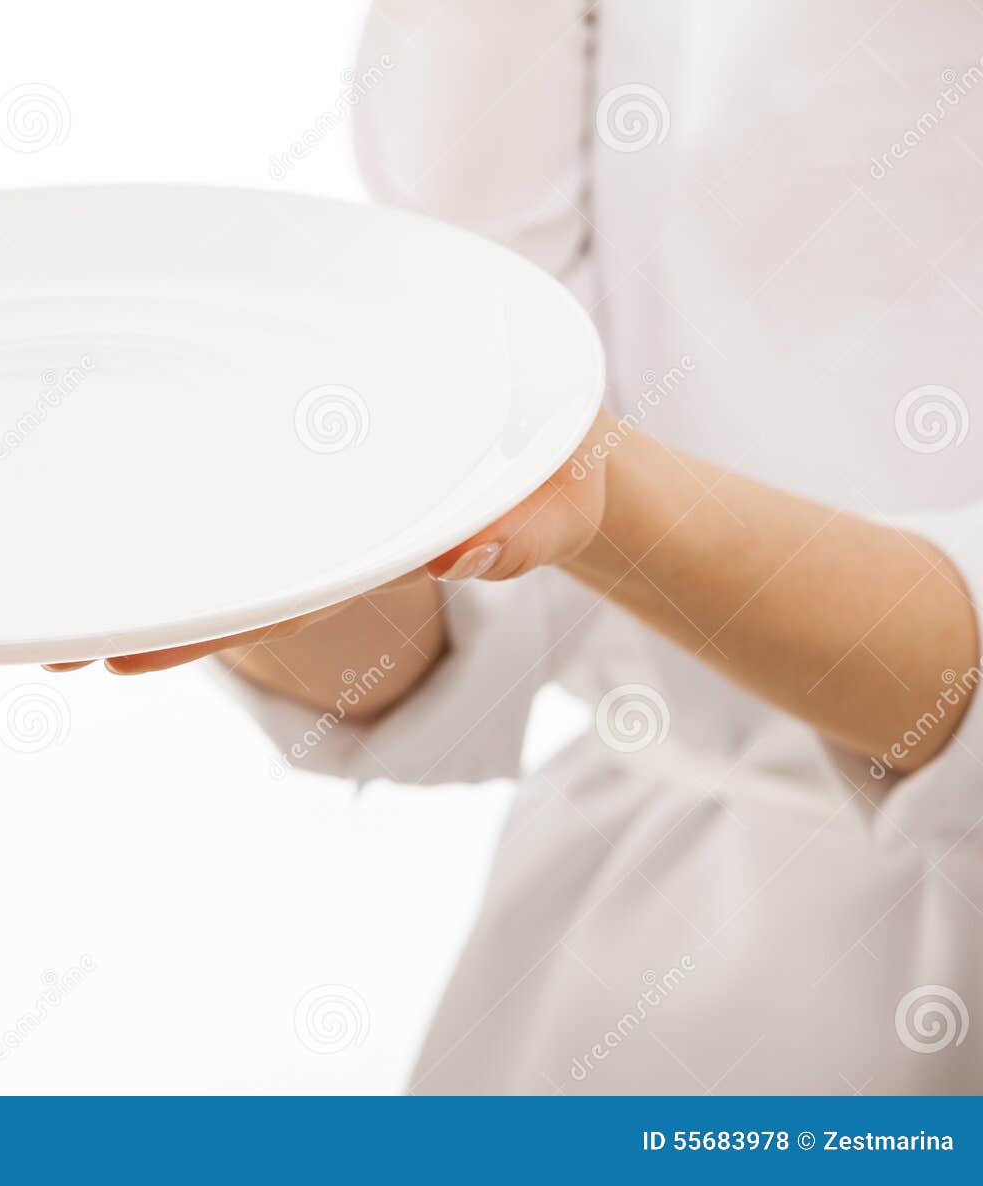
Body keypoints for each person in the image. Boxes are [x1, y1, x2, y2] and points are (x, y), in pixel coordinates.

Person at [54, 0, 983, 1092]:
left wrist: (595, 493)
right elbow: (489, 578)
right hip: (668, 985)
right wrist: (282, 567)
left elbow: (560, 478)